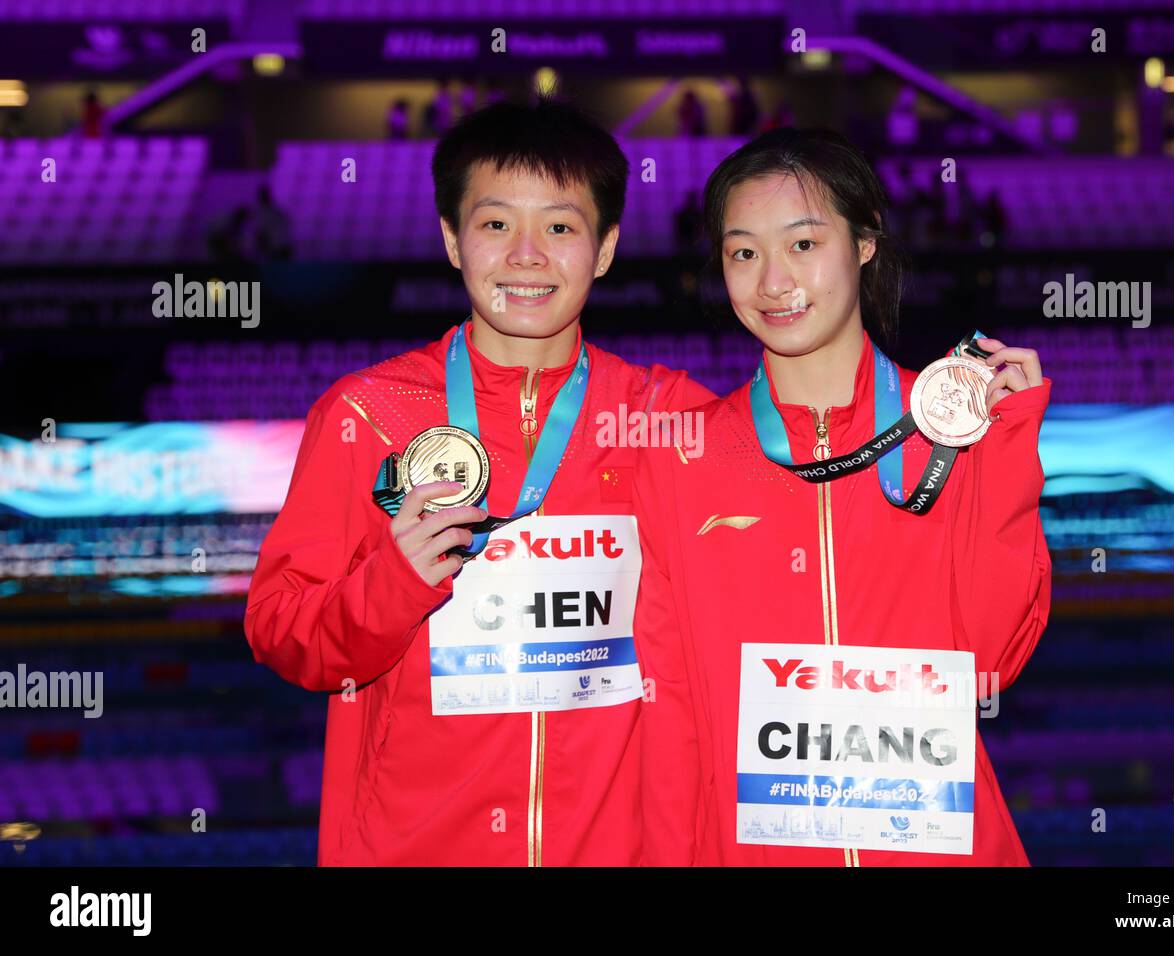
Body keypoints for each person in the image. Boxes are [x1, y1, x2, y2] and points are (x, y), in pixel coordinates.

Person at [244, 98, 715, 866]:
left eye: (560, 227)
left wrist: (974, 421)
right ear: (451, 241)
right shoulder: (368, 415)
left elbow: (822, 488)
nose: (527, 255)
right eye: (496, 224)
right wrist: (389, 586)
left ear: (605, 249)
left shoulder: (668, 419)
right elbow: (279, 631)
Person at [633, 128, 1052, 866]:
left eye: (802, 244)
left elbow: (991, 660)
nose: (772, 282)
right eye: (743, 252)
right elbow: (668, 713)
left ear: (865, 242)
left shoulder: (949, 431)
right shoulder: (680, 456)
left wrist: (1010, 448)